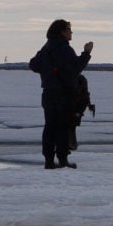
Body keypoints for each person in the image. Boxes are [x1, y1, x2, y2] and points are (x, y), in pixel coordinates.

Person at [28, 19, 91, 169]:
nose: (71, 32)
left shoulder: (46, 48)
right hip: (64, 93)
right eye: (69, 29)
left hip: (48, 93)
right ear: (62, 32)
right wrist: (86, 53)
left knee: (50, 126)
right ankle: (62, 160)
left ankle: (49, 160)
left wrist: (48, 70)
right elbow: (76, 68)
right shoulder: (65, 49)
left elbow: (34, 64)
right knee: (62, 126)